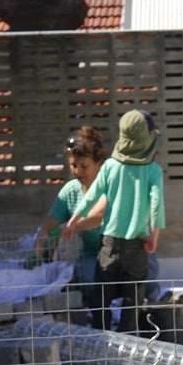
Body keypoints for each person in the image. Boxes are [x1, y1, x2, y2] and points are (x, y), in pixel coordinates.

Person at [64, 110, 165, 333]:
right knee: (133, 299)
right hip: (137, 245)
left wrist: (73, 220)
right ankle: (127, 340)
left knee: (101, 296)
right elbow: (157, 206)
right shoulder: (153, 170)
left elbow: (91, 196)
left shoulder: (110, 166)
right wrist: (153, 238)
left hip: (109, 244)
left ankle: (102, 337)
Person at [34, 126, 108, 322]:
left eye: (84, 166)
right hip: (94, 253)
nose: (77, 171)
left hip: (122, 251)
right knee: (87, 280)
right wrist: (38, 255)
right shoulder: (70, 191)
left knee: (144, 280)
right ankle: (99, 321)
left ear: (99, 164)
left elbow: (99, 216)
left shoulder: (110, 185)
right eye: (74, 165)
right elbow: (46, 229)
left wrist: (69, 227)